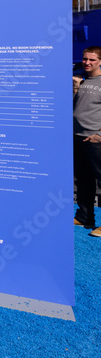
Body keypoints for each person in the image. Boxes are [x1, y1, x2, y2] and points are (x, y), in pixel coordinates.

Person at [74, 46, 101, 237]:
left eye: (92, 59)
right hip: (77, 137)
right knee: (83, 180)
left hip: (95, 139)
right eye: (85, 59)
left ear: (100, 61)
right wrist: (76, 87)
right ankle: (85, 217)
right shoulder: (82, 81)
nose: (87, 63)